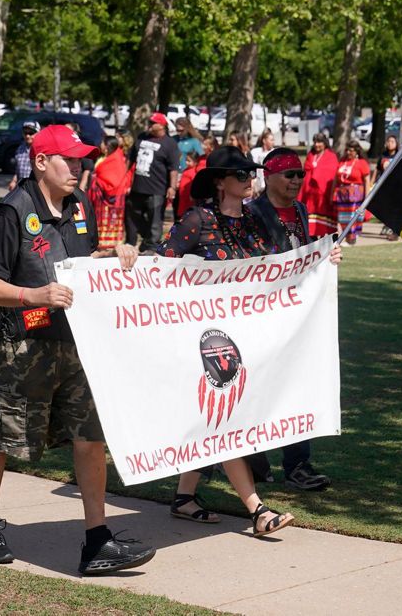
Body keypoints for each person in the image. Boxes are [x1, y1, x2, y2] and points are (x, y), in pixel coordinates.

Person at [0, 124, 154, 576]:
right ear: (40, 162)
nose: (77, 167)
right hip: (24, 345)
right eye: (67, 159)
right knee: (4, 437)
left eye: (79, 159)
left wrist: (114, 255)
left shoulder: (80, 205)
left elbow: (79, 265)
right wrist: (33, 295)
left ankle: (98, 540)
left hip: (77, 342)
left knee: (91, 437)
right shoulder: (12, 211)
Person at [158, 145, 304, 536]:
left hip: (246, 335)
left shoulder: (254, 220)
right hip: (207, 339)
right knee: (226, 420)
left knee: (212, 421)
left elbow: (277, 266)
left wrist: (323, 260)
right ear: (220, 182)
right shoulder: (198, 219)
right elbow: (162, 263)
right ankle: (258, 510)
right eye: (241, 175)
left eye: (250, 174)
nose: (249, 180)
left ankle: (184, 497)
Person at [245, 148, 335, 490]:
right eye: (289, 175)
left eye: (300, 174)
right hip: (262, 312)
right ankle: (250, 456)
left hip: (295, 312)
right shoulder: (252, 213)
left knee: (297, 386)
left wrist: (326, 256)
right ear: (269, 176)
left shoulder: (300, 209)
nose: (297, 181)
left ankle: (298, 464)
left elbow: (303, 253)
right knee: (258, 387)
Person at [125, 112, 180, 252]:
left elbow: (173, 168)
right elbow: (130, 159)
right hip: (138, 186)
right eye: (149, 122)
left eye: (152, 123)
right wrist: (123, 177)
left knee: (155, 220)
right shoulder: (142, 137)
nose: (149, 125)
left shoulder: (170, 144)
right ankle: (147, 239)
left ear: (162, 125)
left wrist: (172, 187)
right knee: (132, 213)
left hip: (157, 189)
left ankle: (152, 247)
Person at [299, 133, 338, 237]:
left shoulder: (331, 156)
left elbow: (332, 175)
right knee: (310, 226)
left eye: (319, 142)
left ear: (325, 143)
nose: (316, 144)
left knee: (324, 224)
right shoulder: (310, 155)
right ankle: (312, 238)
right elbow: (305, 172)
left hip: (324, 194)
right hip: (310, 194)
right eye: (315, 142)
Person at [334, 142, 373, 244]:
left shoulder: (362, 163)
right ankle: (342, 238)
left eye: (351, 151)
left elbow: (367, 181)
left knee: (352, 217)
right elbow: (335, 179)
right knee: (342, 218)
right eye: (347, 150)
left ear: (357, 151)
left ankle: (351, 239)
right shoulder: (343, 161)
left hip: (355, 195)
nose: (348, 152)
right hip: (342, 195)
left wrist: (367, 198)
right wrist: (332, 193)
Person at [7, 121, 39, 191]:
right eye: (25, 133)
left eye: (31, 133)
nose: (27, 136)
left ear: (38, 133)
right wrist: (14, 181)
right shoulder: (20, 149)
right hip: (21, 187)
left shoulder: (41, 150)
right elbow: (18, 170)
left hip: (35, 188)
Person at [175, 149, 203, 218]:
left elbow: (195, 184)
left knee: (188, 213)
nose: (186, 162)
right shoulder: (186, 170)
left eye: (189, 161)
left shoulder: (194, 171)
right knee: (182, 212)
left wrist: (192, 194)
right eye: (186, 160)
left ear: (196, 162)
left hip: (189, 197)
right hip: (183, 196)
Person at [250, 128, 276, 195]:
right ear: (264, 141)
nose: (273, 142)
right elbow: (252, 168)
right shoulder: (255, 152)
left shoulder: (275, 153)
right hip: (257, 185)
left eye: (273, 140)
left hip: (270, 186)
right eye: (271, 140)